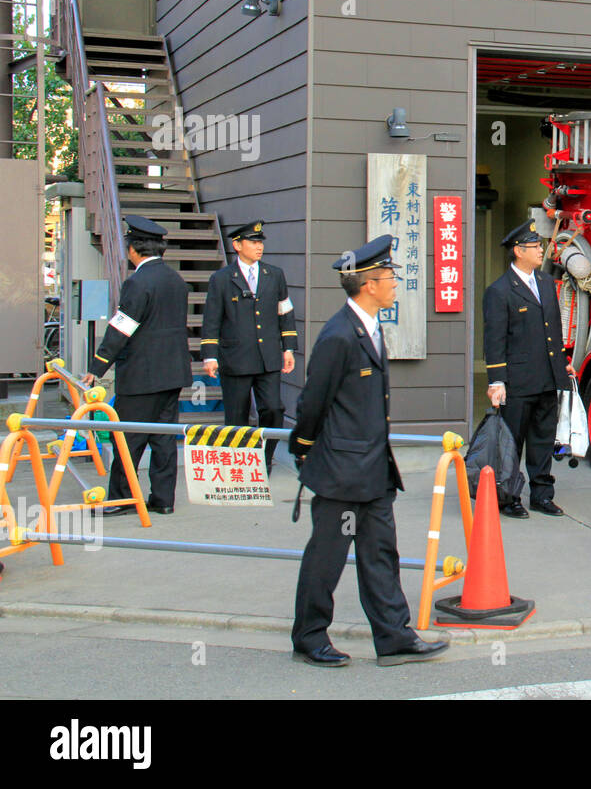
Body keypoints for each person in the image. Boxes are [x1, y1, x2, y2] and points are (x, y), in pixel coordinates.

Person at [287, 235, 447, 667]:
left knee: (381, 555)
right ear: (369, 285)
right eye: (390, 277)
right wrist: (302, 447)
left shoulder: (370, 328)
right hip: (341, 473)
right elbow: (312, 402)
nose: (396, 282)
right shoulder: (339, 336)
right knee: (328, 556)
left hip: (373, 470)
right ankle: (309, 635)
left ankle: (394, 636)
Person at [84, 215, 192, 515]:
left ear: (133, 249)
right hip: (172, 372)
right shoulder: (175, 280)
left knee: (128, 438)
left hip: (142, 375)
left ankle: (121, 498)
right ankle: (163, 500)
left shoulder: (138, 282)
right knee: (164, 439)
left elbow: (121, 328)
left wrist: (97, 367)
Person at [483, 219, 573, 518]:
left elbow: (554, 329)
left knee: (542, 440)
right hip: (518, 381)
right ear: (519, 251)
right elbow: (494, 339)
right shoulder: (500, 291)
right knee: (512, 442)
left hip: (547, 377)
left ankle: (542, 495)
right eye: (536, 247)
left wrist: (562, 364)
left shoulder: (546, 283)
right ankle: (508, 497)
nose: (541, 251)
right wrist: (497, 380)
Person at [200, 220, 297, 470]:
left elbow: (285, 312)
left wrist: (289, 348)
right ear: (237, 245)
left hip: (268, 357)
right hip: (236, 357)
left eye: (260, 242)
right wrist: (209, 355)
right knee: (236, 416)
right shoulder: (221, 279)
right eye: (253, 242)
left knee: (274, 409)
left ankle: (264, 459)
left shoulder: (274, 274)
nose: (259, 247)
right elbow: (211, 319)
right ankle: (238, 464)